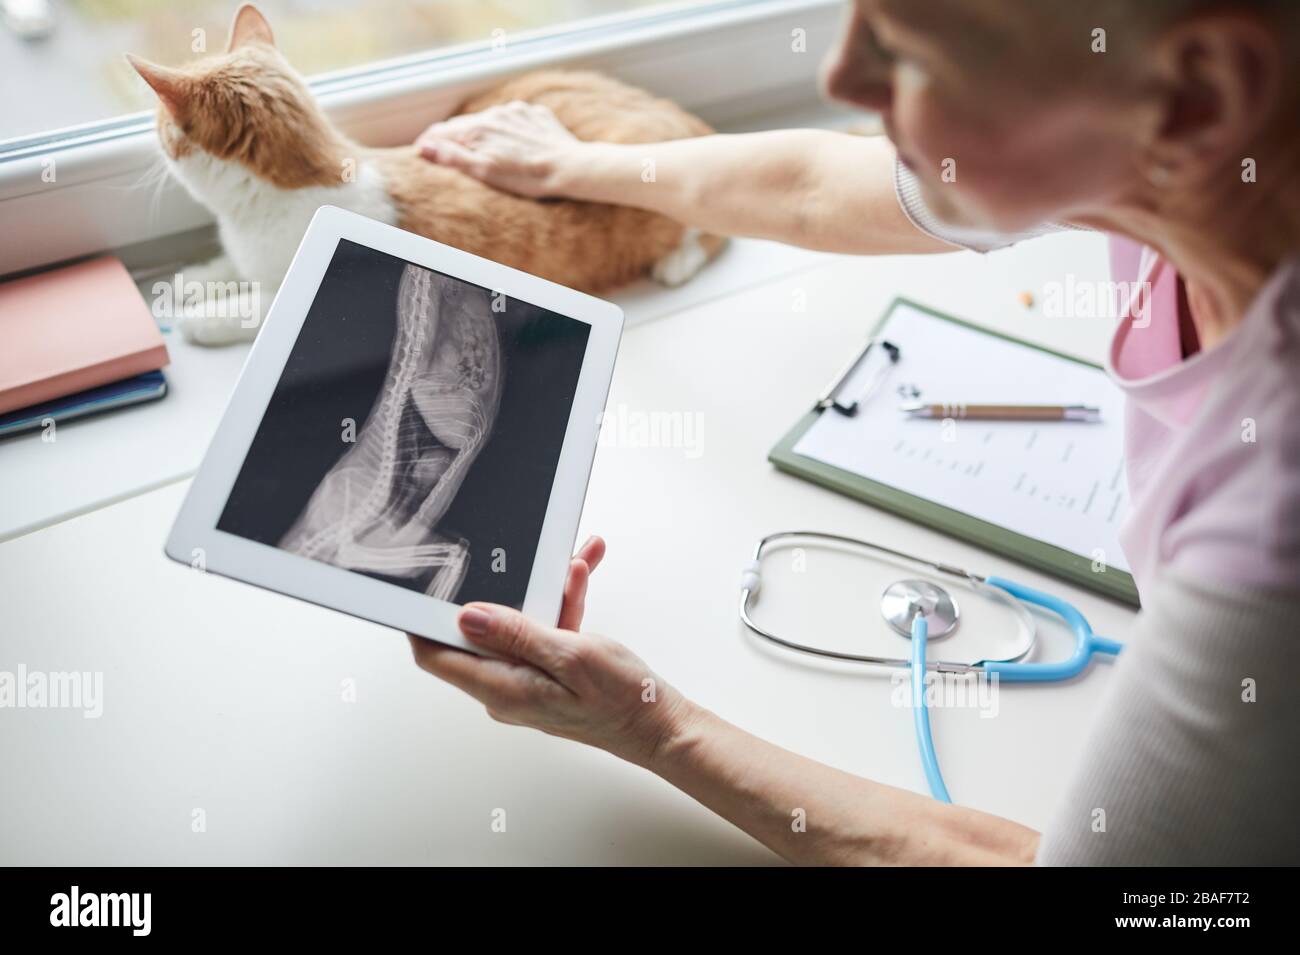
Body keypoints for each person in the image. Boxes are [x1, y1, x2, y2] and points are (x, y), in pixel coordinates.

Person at [405, 0, 1300, 865]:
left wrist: (649, 726)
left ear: (1204, 89)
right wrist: (572, 165)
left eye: (914, 48)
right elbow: (815, 185)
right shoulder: (1194, 161)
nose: (841, 75)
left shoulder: (1269, 519)